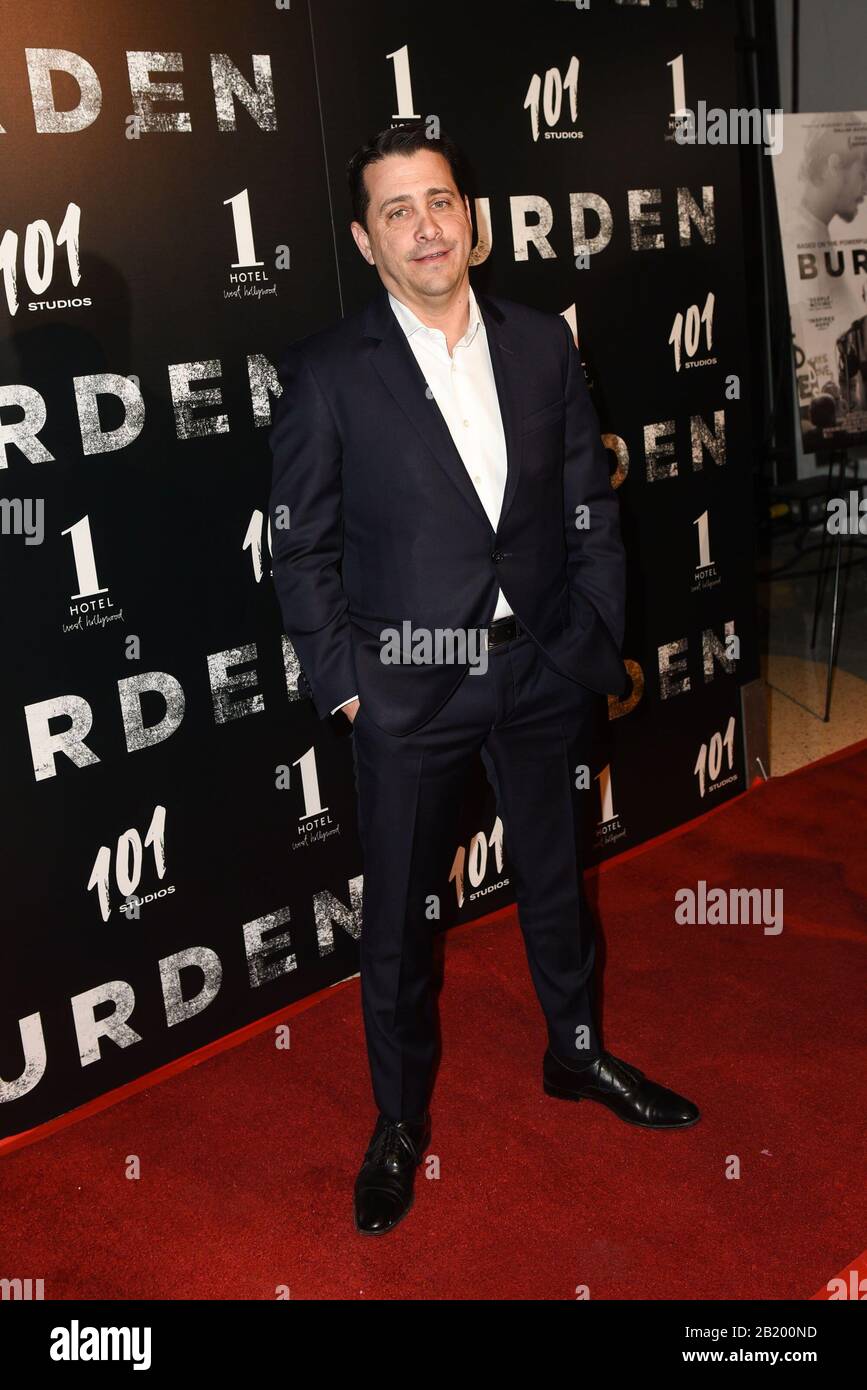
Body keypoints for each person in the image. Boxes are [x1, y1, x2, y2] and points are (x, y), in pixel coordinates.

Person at [268, 121, 699, 1237]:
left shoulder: (542, 344)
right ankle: (398, 1121)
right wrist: (349, 686)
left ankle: (577, 1054)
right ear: (365, 241)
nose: (426, 227)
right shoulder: (327, 372)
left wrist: (590, 631)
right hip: (411, 688)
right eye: (398, 210)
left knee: (558, 883)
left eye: (441, 201)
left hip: (543, 664)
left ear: (471, 217)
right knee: (400, 927)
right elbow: (300, 549)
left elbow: (588, 503)